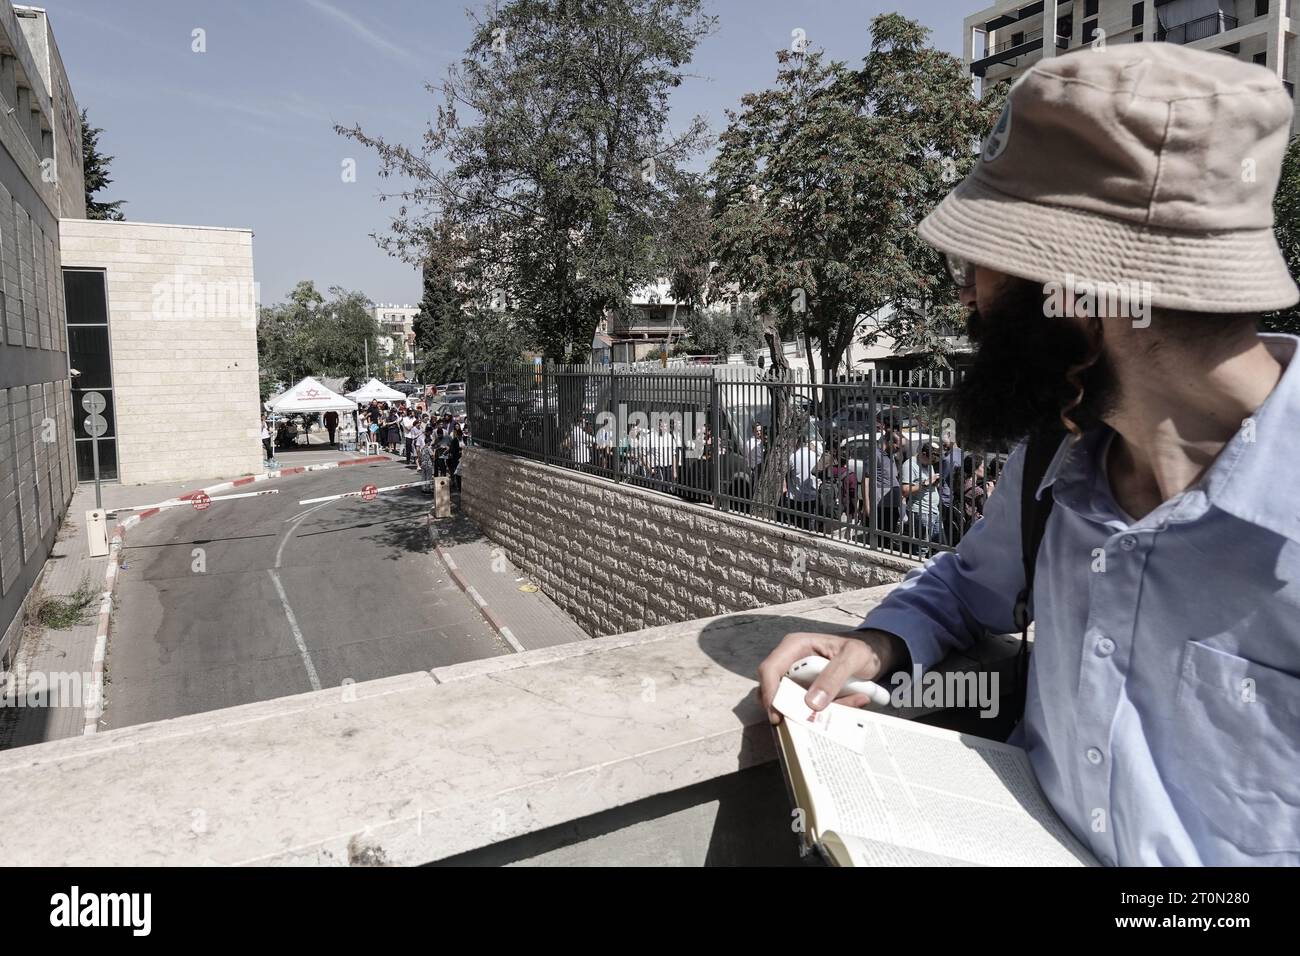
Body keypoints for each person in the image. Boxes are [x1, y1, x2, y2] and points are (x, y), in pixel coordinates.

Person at [759, 45, 1300, 865]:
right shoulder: (1062, 461)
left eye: (981, 262)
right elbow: (970, 589)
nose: (966, 295)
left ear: (1080, 294)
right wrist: (882, 644)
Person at [899, 441, 944, 557]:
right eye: (931, 460)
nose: (932, 463)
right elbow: (904, 490)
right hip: (921, 511)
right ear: (923, 454)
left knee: (939, 546)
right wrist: (925, 483)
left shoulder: (928, 463)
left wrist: (935, 483)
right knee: (921, 548)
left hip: (933, 510)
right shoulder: (909, 465)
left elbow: (929, 483)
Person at [784, 437, 819, 530]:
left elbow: (787, 474)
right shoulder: (815, 456)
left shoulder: (792, 456)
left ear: (797, 443)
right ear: (806, 443)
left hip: (795, 496)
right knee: (810, 527)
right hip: (811, 496)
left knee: (794, 527)